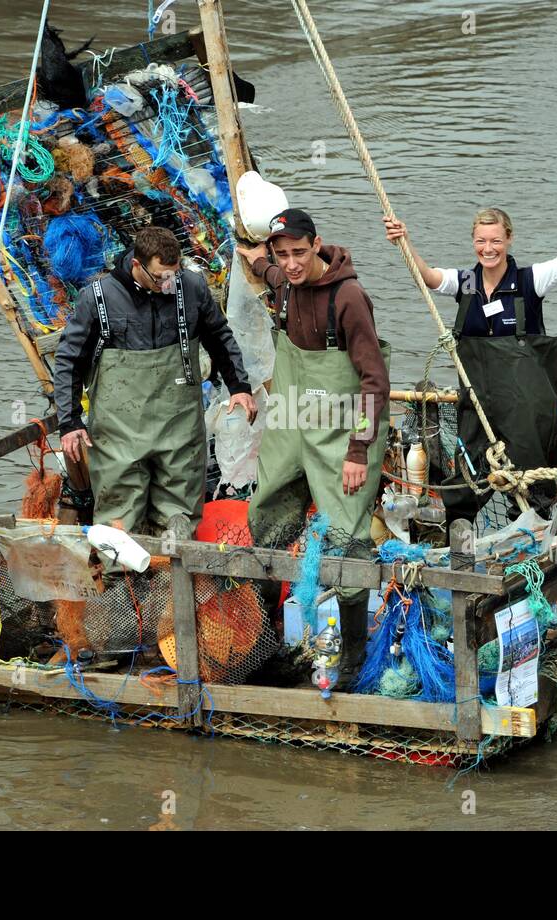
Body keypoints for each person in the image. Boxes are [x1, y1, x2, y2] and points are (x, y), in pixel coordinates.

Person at [383, 183, 557, 516]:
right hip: (478, 406)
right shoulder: (466, 283)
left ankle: (533, 544)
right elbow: (429, 277)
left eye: (496, 241)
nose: (488, 249)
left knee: (533, 489)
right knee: (466, 483)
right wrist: (404, 241)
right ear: (473, 242)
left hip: (526, 410)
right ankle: (459, 542)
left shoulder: (530, 281)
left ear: (509, 239)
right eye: (481, 241)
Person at [236, 208, 391, 691]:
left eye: (299, 253)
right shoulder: (283, 281)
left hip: (343, 432)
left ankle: (352, 658)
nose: (292, 264)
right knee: (265, 518)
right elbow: (269, 269)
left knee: (347, 538)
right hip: (290, 422)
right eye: (283, 255)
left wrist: (359, 451)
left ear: (316, 245)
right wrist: (257, 260)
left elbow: (374, 382)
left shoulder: (348, 298)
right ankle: (266, 645)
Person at [54, 225, 257, 534]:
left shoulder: (192, 288)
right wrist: (69, 423)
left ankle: (176, 572)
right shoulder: (97, 298)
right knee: (119, 515)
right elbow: (69, 359)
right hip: (118, 432)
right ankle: (121, 576)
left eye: (174, 275)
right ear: (137, 265)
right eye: (161, 277)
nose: (169, 284)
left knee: (179, 515)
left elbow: (219, 337)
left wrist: (239, 387)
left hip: (179, 427)